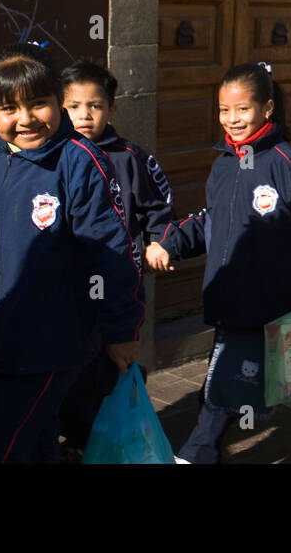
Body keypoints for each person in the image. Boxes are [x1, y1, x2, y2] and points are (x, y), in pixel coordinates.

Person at [0, 44, 142, 464]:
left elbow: (110, 251)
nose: (26, 119)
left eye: (39, 104)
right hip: (0, 333)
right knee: (33, 440)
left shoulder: (80, 162)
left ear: (58, 102)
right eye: (8, 108)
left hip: (54, 340)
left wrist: (121, 328)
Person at [146, 62, 291, 463]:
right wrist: (170, 242)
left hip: (283, 295)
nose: (232, 119)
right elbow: (211, 219)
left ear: (267, 109)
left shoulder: (289, 163)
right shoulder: (223, 164)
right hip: (234, 294)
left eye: (242, 109)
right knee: (224, 377)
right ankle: (200, 450)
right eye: (224, 110)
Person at [59, 60, 179, 458]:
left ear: (112, 109)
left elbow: (159, 208)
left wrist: (155, 242)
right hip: (67, 287)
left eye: (94, 106)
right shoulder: (53, 155)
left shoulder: (130, 158)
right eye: (74, 106)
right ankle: (75, 440)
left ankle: (108, 442)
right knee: (69, 369)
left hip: (116, 285)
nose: (84, 115)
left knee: (112, 364)